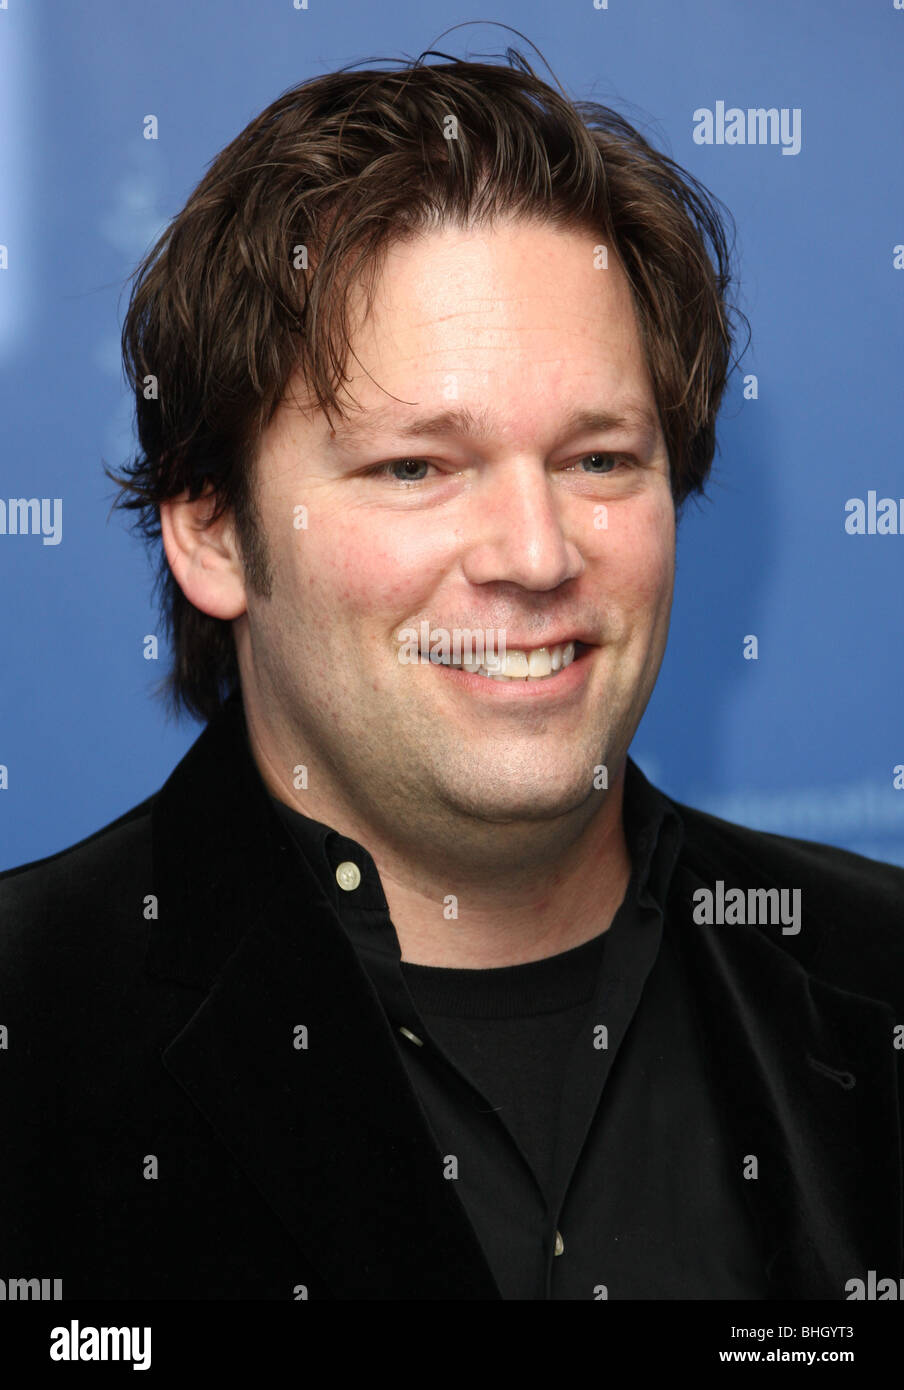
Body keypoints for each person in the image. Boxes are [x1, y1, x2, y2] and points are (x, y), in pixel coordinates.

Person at [1, 50, 902, 1302]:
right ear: (210, 530)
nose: (535, 555)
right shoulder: (31, 1027)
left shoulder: (876, 975)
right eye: (416, 467)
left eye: (597, 459)